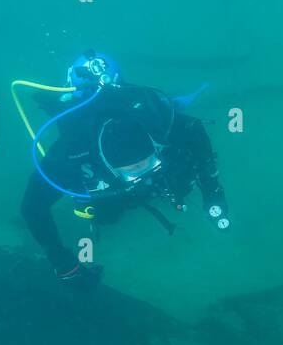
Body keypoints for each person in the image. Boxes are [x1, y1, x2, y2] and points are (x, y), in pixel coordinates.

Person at [16, 51, 229, 285]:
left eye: (149, 164)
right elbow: (32, 206)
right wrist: (64, 263)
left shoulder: (159, 120)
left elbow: (195, 131)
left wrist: (213, 193)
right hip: (108, 192)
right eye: (130, 171)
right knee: (107, 215)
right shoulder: (73, 149)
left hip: (134, 176)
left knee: (176, 176)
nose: (141, 176)